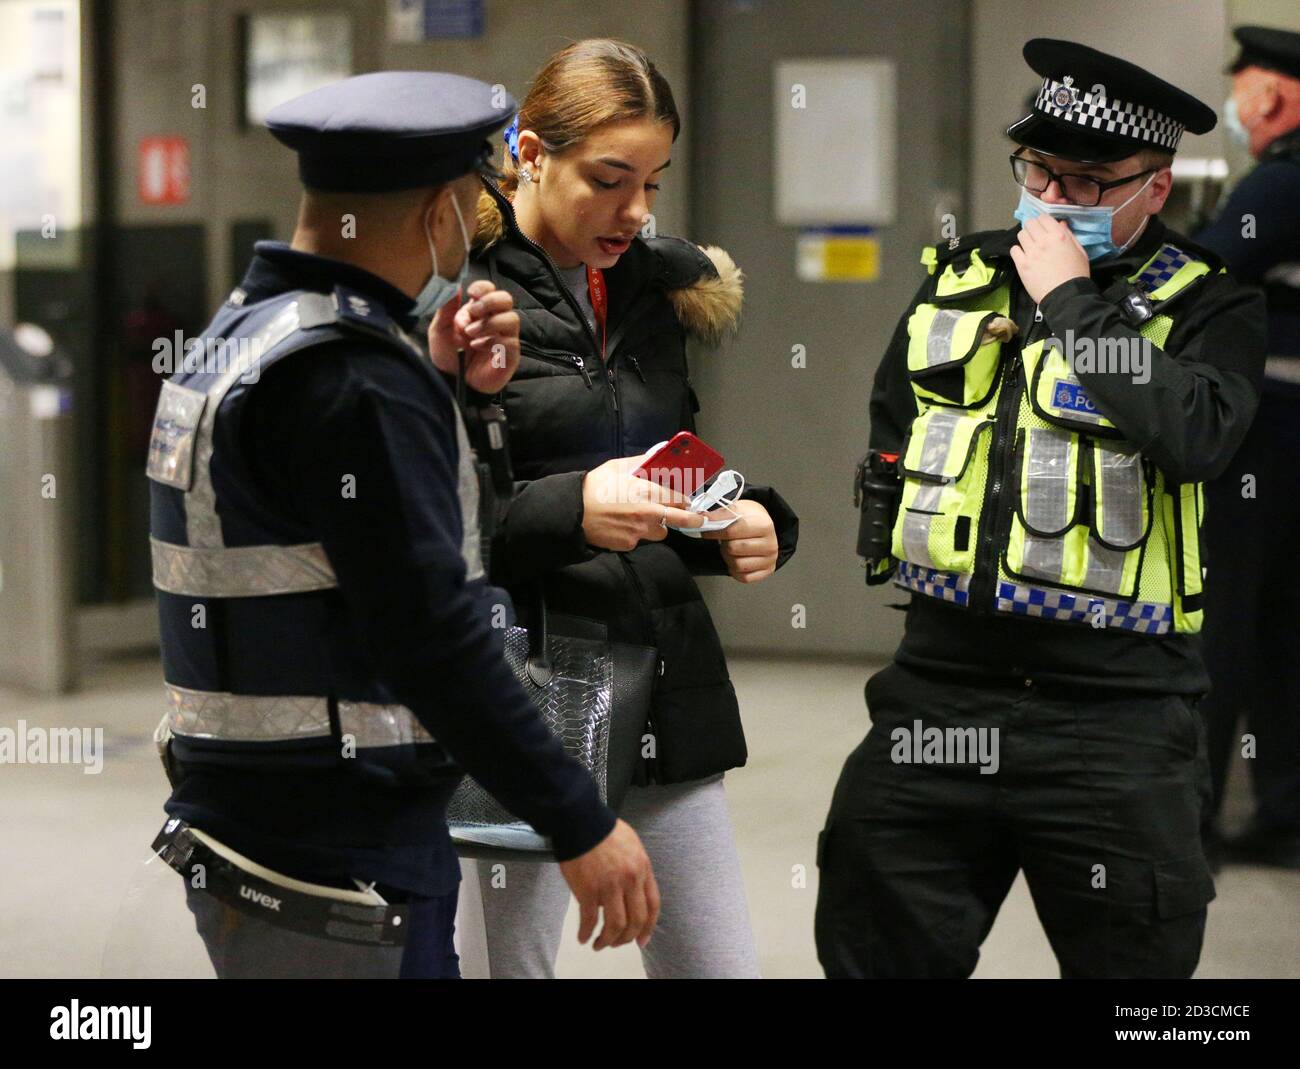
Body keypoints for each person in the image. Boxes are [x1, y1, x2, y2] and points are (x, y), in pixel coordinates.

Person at [140, 71, 658, 978]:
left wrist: (447, 382)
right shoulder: (360, 381)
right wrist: (579, 818)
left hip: (249, 822)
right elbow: (435, 631)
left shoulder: (243, 332)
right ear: (438, 210)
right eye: (472, 198)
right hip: (344, 851)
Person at [821, 39, 1266, 978]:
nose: (1055, 200)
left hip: (1116, 719)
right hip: (942, 693)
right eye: (1038, 171)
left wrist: (1071, 299)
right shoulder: (959, 276)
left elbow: (1194, 435)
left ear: (1158, 182)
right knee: (873, 947)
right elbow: (896, 429)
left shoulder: (1213, 306)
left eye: (1090, 180)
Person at [441, 39, 799, 979]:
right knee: (509, 971)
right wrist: (574, 507)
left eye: (653, 182)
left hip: (658, 669)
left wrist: (743, 519)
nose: (635, 211)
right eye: (609, 179)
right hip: (527, 682)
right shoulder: (462, 293)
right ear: (529, 151)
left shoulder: (652, 287)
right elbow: (433, 525)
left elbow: (665, 463)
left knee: (717, 968)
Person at [1193, 24, 1300, 870]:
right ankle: (1284, 812)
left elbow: (1209, 273)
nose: (1238, 106)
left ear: (1275, 95)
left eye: (1245, 89)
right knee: (1284, 629)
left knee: (1222, 617)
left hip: (1266, 429)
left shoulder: (1280, 179)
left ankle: (1189, 815)